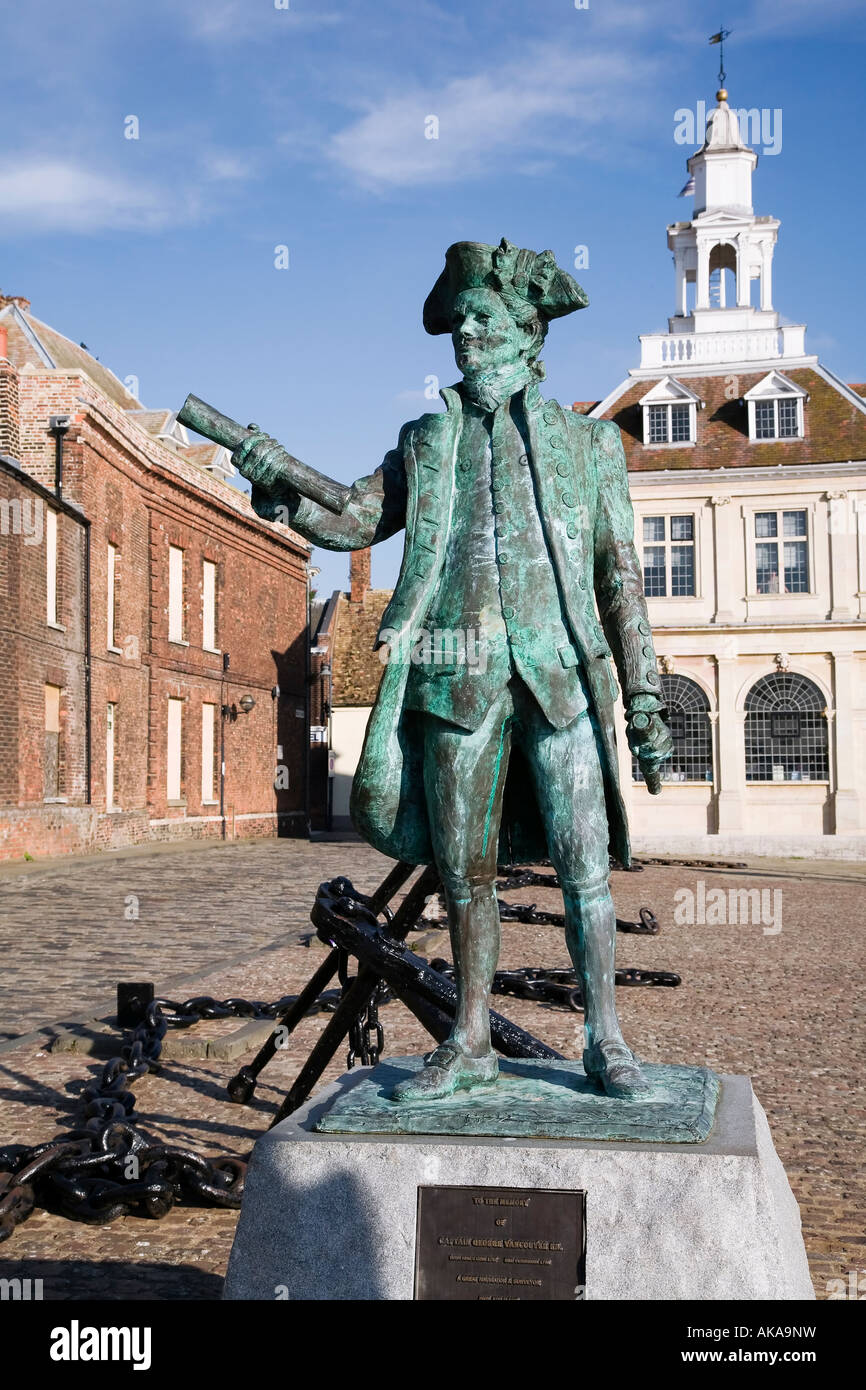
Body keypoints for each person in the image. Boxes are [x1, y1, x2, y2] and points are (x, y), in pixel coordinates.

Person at [233, 238, 672, 1102]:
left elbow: (619, 575)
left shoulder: (590, 447)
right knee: (465, 872)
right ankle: (469, 1039)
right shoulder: (427, 439)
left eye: (484, 317)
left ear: (527, 331)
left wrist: (645, 691)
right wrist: (275, 483)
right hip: (454, 678)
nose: (466, 332)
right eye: (459, 320)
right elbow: (357, 516)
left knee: (586, 866)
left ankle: (606, 1039)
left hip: (561, 676)